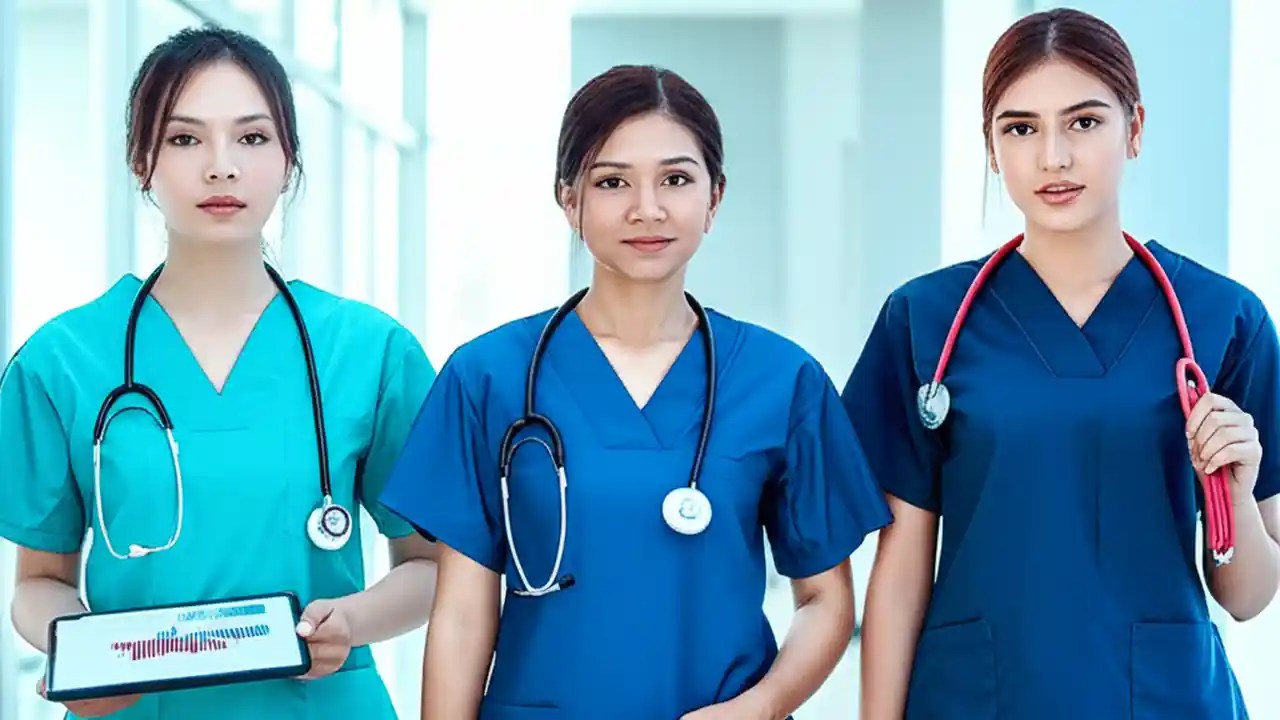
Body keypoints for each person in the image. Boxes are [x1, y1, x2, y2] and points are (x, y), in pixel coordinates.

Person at [377, 64, 891, 720]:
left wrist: (761, 707)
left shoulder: (781, 380)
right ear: (569, 200)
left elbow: (824, 600)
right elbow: (461, 613)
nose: (647, 209)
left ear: (715, 197)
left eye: (675, 180)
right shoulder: (487, 377)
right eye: (612, 182)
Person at [846, 8, 1280, 720]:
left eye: (1083, 122)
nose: (1053, 157)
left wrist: (1233, 490)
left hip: (1165, 700)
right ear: (991, 148)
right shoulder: (925, 320)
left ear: (1134, 129)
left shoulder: (1223, 320)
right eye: (1021, 129)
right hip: (978, 700)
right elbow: (899, 575)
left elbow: (1249, 597)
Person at [0, 26, 438, 719]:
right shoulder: (63, 360)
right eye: (184, 138)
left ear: (288, 159)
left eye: (252, 137)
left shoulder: (371, 351)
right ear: (141, 160)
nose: (221, 167)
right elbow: (38, 581)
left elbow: (429, 566)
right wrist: (79, 650)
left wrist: (354, 622)